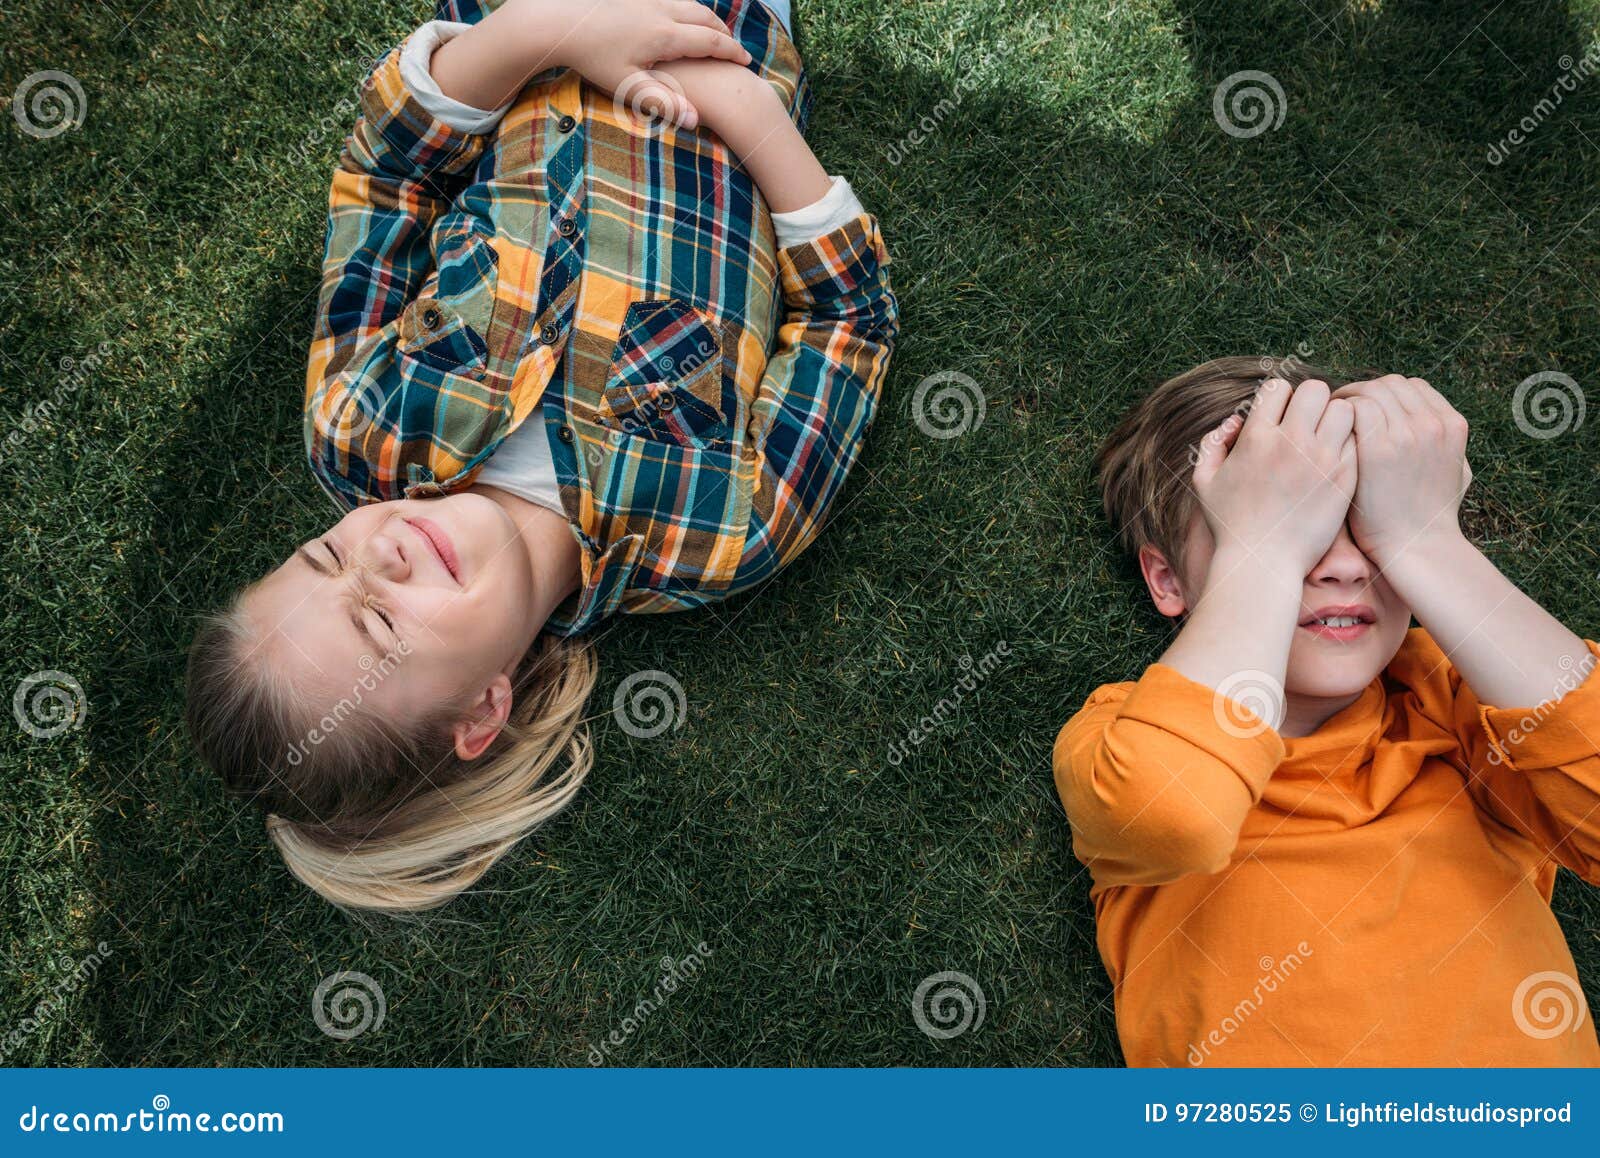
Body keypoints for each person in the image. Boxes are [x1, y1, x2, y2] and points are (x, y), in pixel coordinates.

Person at [185, 0, 897, 912]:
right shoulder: (715, 532)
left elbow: (384, 176)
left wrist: (542, 32)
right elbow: (851, 323)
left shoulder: (357, 427)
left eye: (324, 556)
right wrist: (746, 114)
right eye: (378, 625)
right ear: (483, 711)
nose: (379, 551)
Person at [1054, 357, 1600, 1065]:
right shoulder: (1126, 731)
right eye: (1295, 529)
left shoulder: (1461, 708)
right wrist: (1268, 555)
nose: (1340, 565)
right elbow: (1174, 815)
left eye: (1363, 526)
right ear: (1167, 579)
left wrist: (1429, 544)